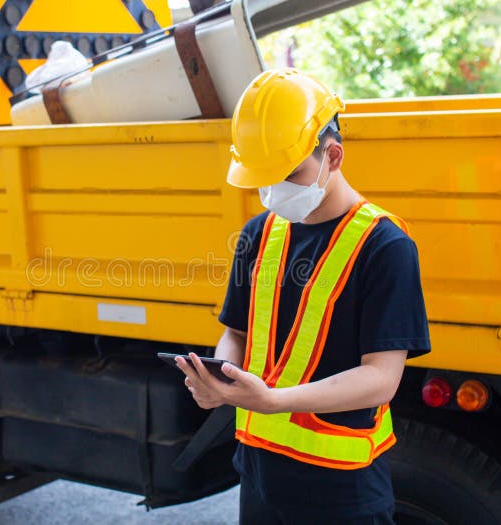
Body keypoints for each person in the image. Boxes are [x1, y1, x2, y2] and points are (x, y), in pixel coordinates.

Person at [176, 69, 431, 524]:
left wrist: (273, 400)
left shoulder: (385, 246)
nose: (274, 191)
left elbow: (381, 379)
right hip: (257, 477)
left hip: (341, 495)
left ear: (333, 155)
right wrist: (220, 380)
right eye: (263, 177)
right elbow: (235, 333)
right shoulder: (260, 233)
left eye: (288, 174)